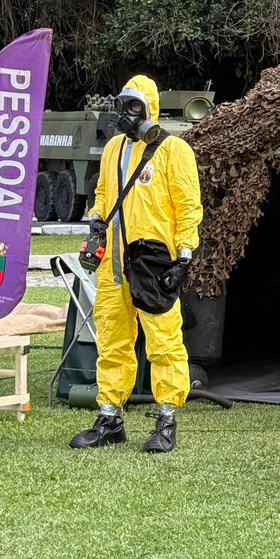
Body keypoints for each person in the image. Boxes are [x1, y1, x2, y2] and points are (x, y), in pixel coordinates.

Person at [69, 75, 203, 454]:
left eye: (135, 106)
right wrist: (97, 223)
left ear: (150, 110)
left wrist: (184, 256)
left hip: (154, 261)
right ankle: (110, 419)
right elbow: (103, 194)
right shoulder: (113, 148)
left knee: (164, 343)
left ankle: (166, 420)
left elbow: (188, 206)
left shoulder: (174, 150)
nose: (128, 114)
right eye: (123, 105)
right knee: (113, 340)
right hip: (114, 263)